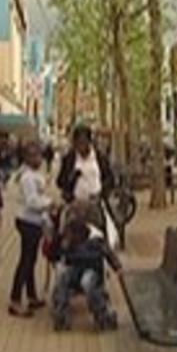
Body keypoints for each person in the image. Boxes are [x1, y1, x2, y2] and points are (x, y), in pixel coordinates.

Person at [50, 201, 122, 331]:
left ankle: (103, 315)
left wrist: (117, 267)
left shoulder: (96, 239)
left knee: (87, 282)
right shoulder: (67, 235)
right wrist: (58, 247)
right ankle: (61, 314)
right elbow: (55, 254)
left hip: (91, 269)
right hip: (75, 268)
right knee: (62, 278)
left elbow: (108, 253)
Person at [13, 142, 55, 317]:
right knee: (26, 260)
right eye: (34, 155)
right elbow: (32, 201)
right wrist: (49, 203)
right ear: (27, 158)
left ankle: (31, 295)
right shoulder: (27, 177)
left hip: (34, 221)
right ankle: (15, 299)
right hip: (28, 221)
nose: (38, 159)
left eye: (39, 155)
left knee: (31, 261)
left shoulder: (34, 174)